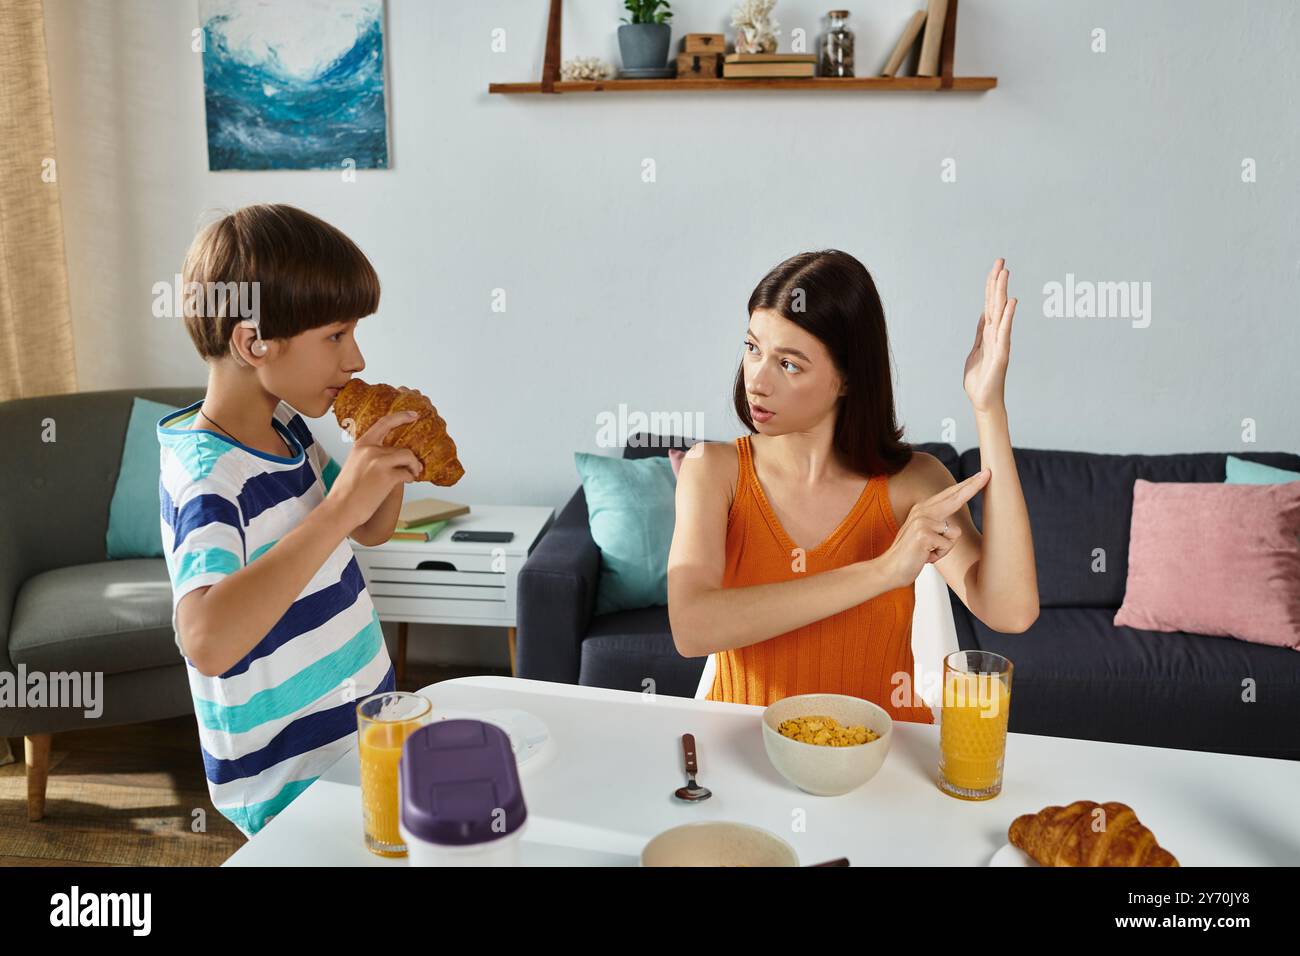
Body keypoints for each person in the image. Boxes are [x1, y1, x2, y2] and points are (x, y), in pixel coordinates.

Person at [667, 251, 1039, 722]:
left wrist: (988, 409)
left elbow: (1011, 610)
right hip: (744, 759)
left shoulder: (911, 482)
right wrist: (883, 572)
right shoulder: (714, 471)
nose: (756, 381)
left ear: (846, 380)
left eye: (789, 364)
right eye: (753, 347)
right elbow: (692, 627)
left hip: (881, 764)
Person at [157, 203, 424, 836]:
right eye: (336, 335)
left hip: (359, 741)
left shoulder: (287, 430)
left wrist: (382, 473)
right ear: (253, 342)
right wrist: (338, 509)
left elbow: (365, 530)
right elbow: (207, 641)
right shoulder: (207, 476)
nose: (355, 359)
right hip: (289, 781)